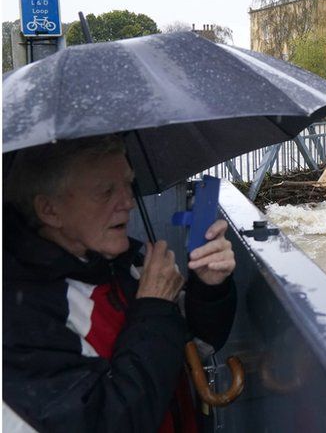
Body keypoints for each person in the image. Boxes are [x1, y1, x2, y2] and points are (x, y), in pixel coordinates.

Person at [2, 135, 237, 432]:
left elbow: (196, 345)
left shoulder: (127, 261)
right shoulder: (17, 314)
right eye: (105, 191)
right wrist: (153, 308)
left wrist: (209, 286)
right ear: (50, 210)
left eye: (129, 184)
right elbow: (105, 421)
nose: (127, 202)